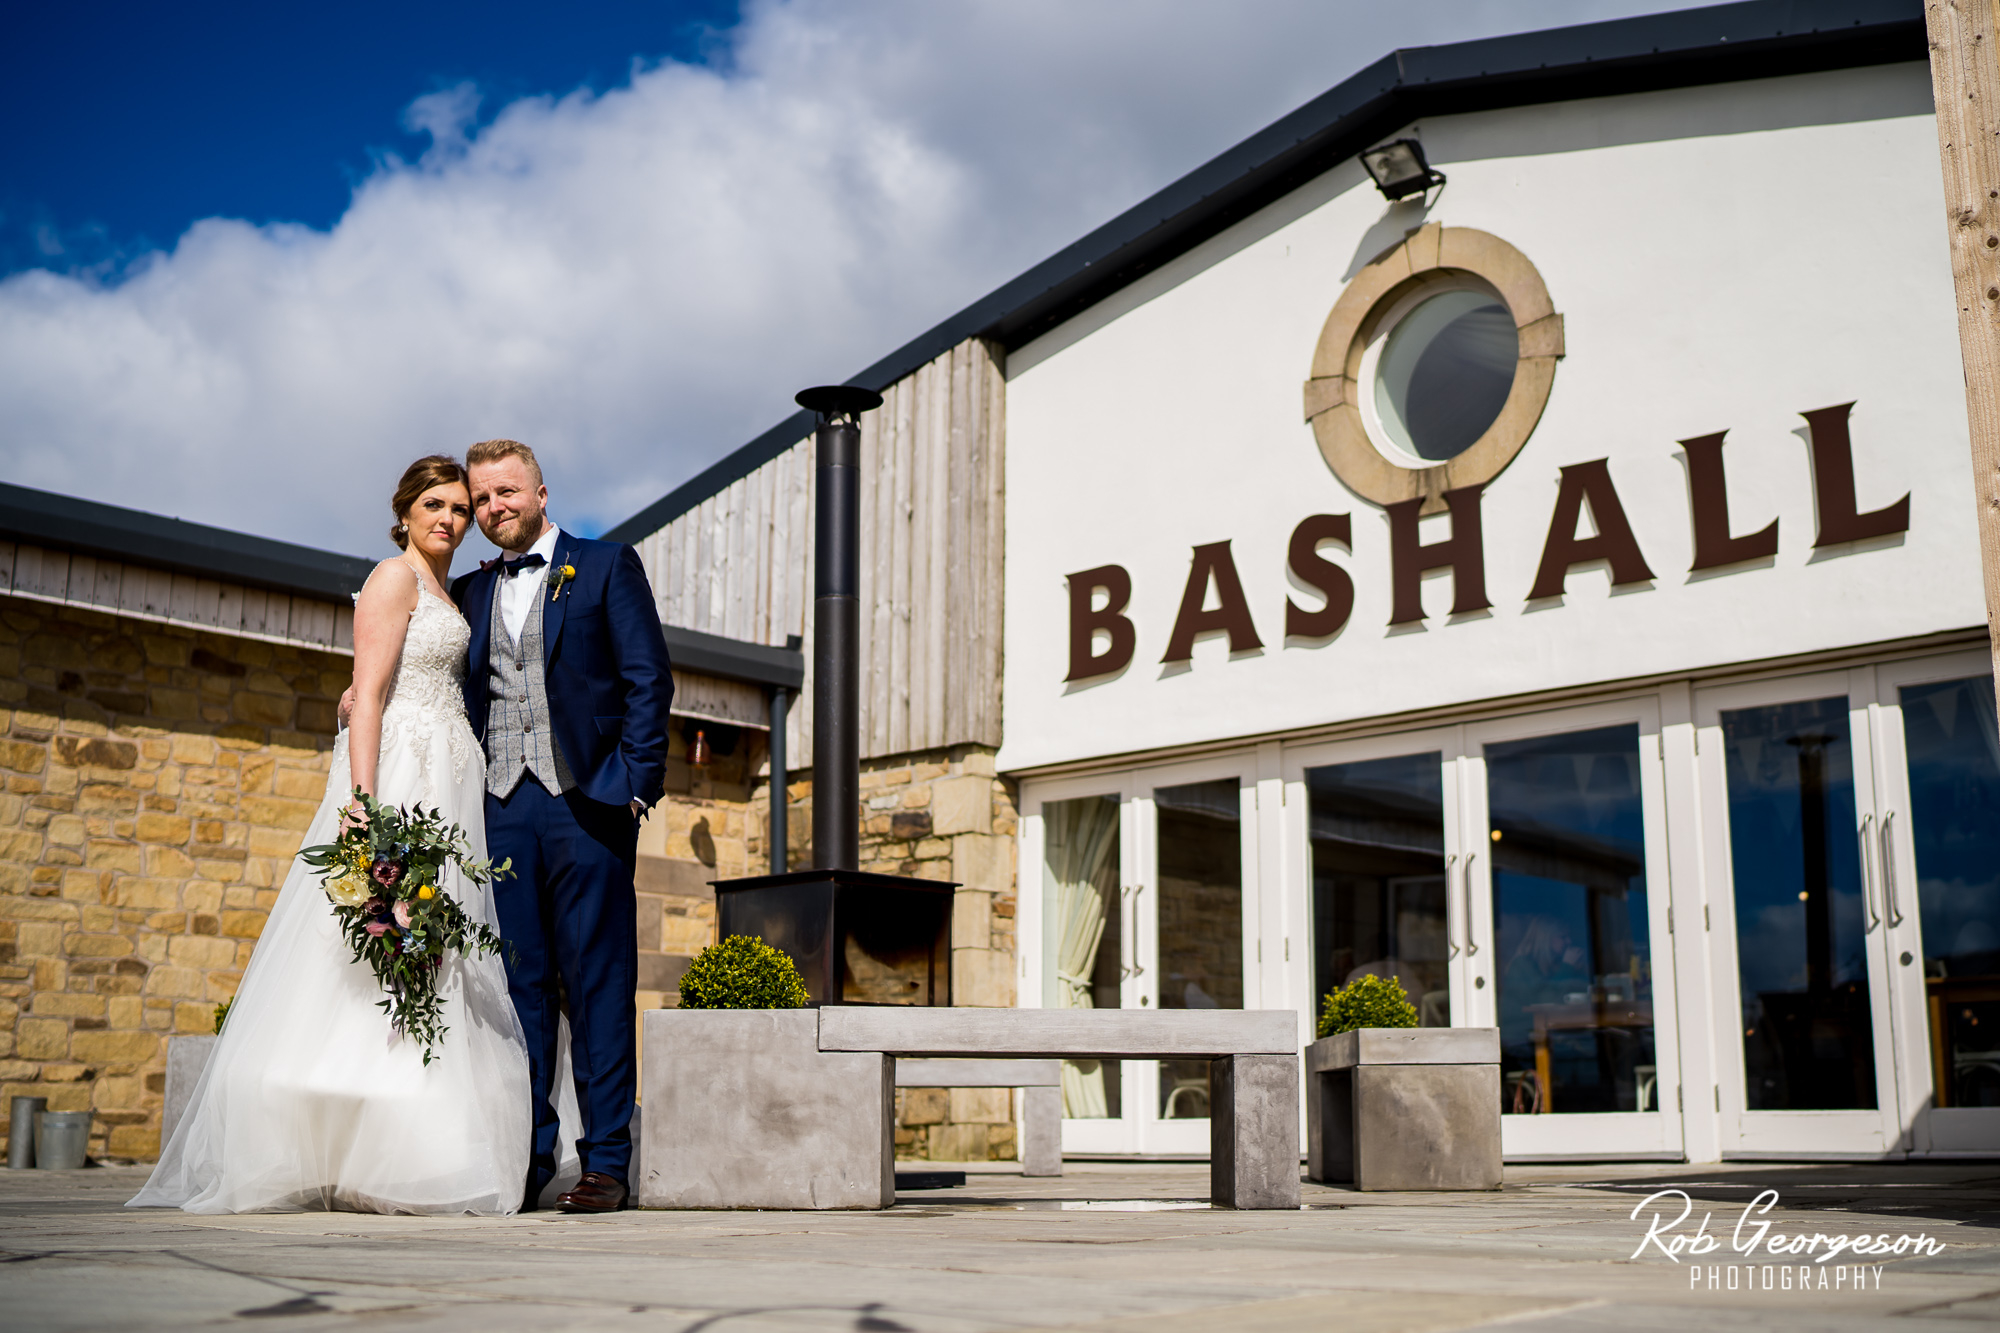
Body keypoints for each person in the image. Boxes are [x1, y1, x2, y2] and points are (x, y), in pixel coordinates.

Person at [130, 457, 540, 1214]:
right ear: (405, 512)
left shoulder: (451, 591)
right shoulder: (393, 578)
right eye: (434, 505)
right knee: (377, 939)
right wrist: (361, 803)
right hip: (403, 772)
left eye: (458, 506)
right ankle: (343, 1144)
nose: (449, 518)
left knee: (435, 942)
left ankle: (421, 1146)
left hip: (450, 778)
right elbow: (373, 691)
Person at [454, 439, 673, 1214]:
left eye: (506, 491)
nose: (493, 508)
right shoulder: (469, 594)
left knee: (599, 985)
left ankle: (606, 1160)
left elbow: (649, 678)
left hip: (588, 804)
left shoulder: (607, 565)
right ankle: (526, 1152)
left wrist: (635, 788)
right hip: (501, 808)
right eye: (481, 499)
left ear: (542, 493)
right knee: (518, 993)